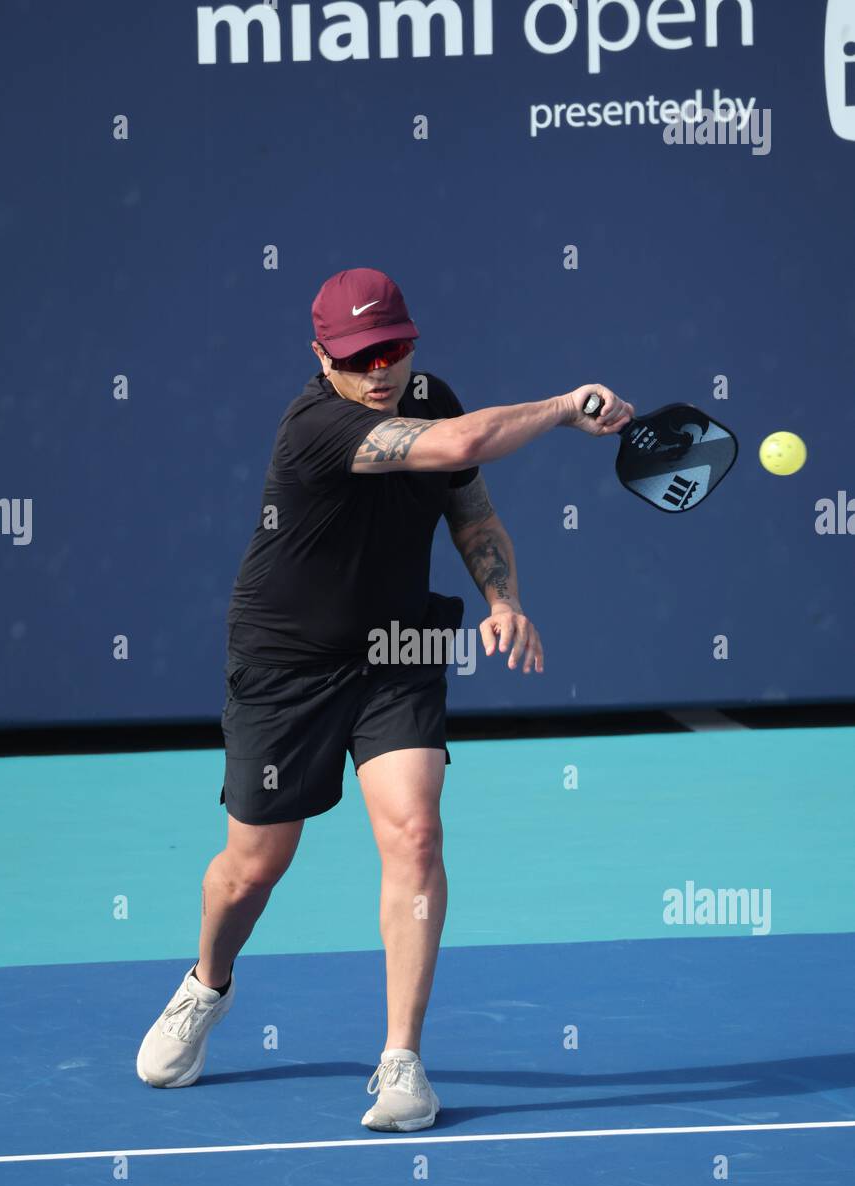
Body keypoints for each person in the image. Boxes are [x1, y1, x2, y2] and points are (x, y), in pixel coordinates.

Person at [136, 267, 633, 1130]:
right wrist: (561, 408)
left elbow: (468, 508)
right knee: (253, 868)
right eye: (362, 356)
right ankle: (206, 984)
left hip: (398, 647)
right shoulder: (316, 428)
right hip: (286, 662)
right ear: (322, 356)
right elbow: (453, 448)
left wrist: (504, 602)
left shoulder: (433, 395)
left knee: (415, 829)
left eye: (395, 349)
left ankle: (402, 1062)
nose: (381, 370)